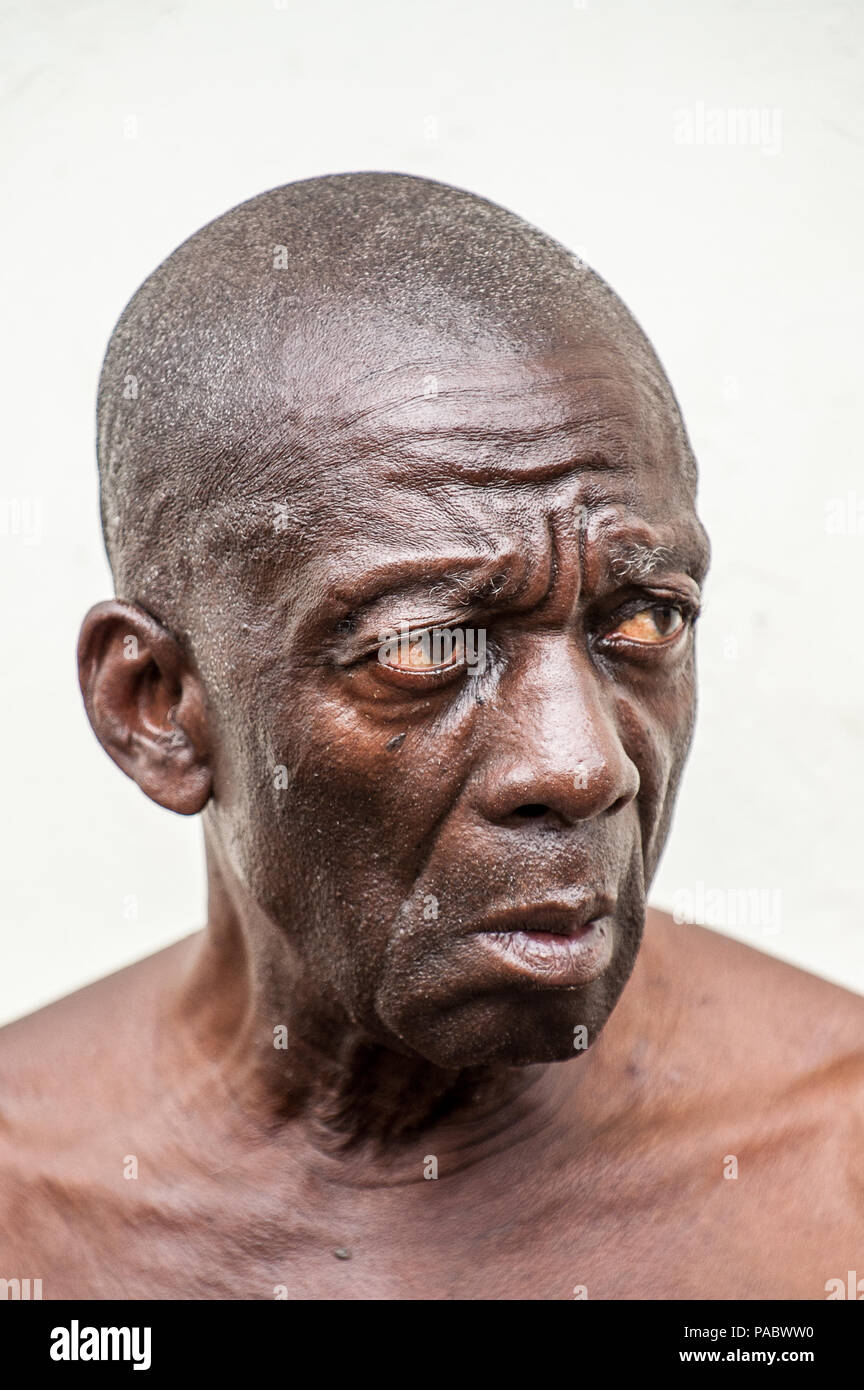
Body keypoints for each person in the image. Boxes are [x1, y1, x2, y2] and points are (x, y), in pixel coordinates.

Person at [1, 173, 861, 1300]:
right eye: (424, 648)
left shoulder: (835, 1174)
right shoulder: (28, 1212)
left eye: (642, 618)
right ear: (158, 705)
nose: (583, 764)